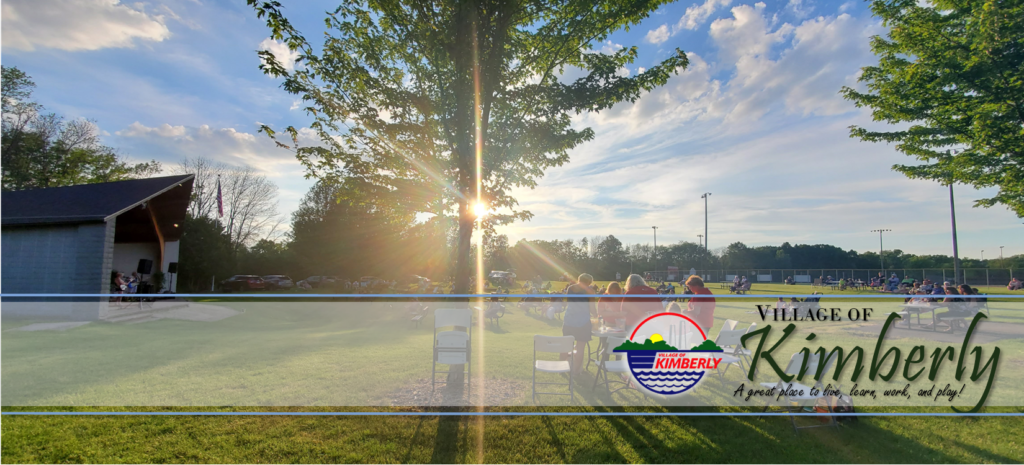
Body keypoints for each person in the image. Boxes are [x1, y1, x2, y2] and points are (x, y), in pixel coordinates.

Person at [561, 273, 596, 375]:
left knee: (565, 345)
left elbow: (568, 302)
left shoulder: (570, 288)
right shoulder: (590, 291)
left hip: (569, 320)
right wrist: (596, 315)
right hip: (583, 321)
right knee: (580, 347)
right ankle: (576, 371)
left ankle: (561, 369)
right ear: (589, 282)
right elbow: (592, 308)